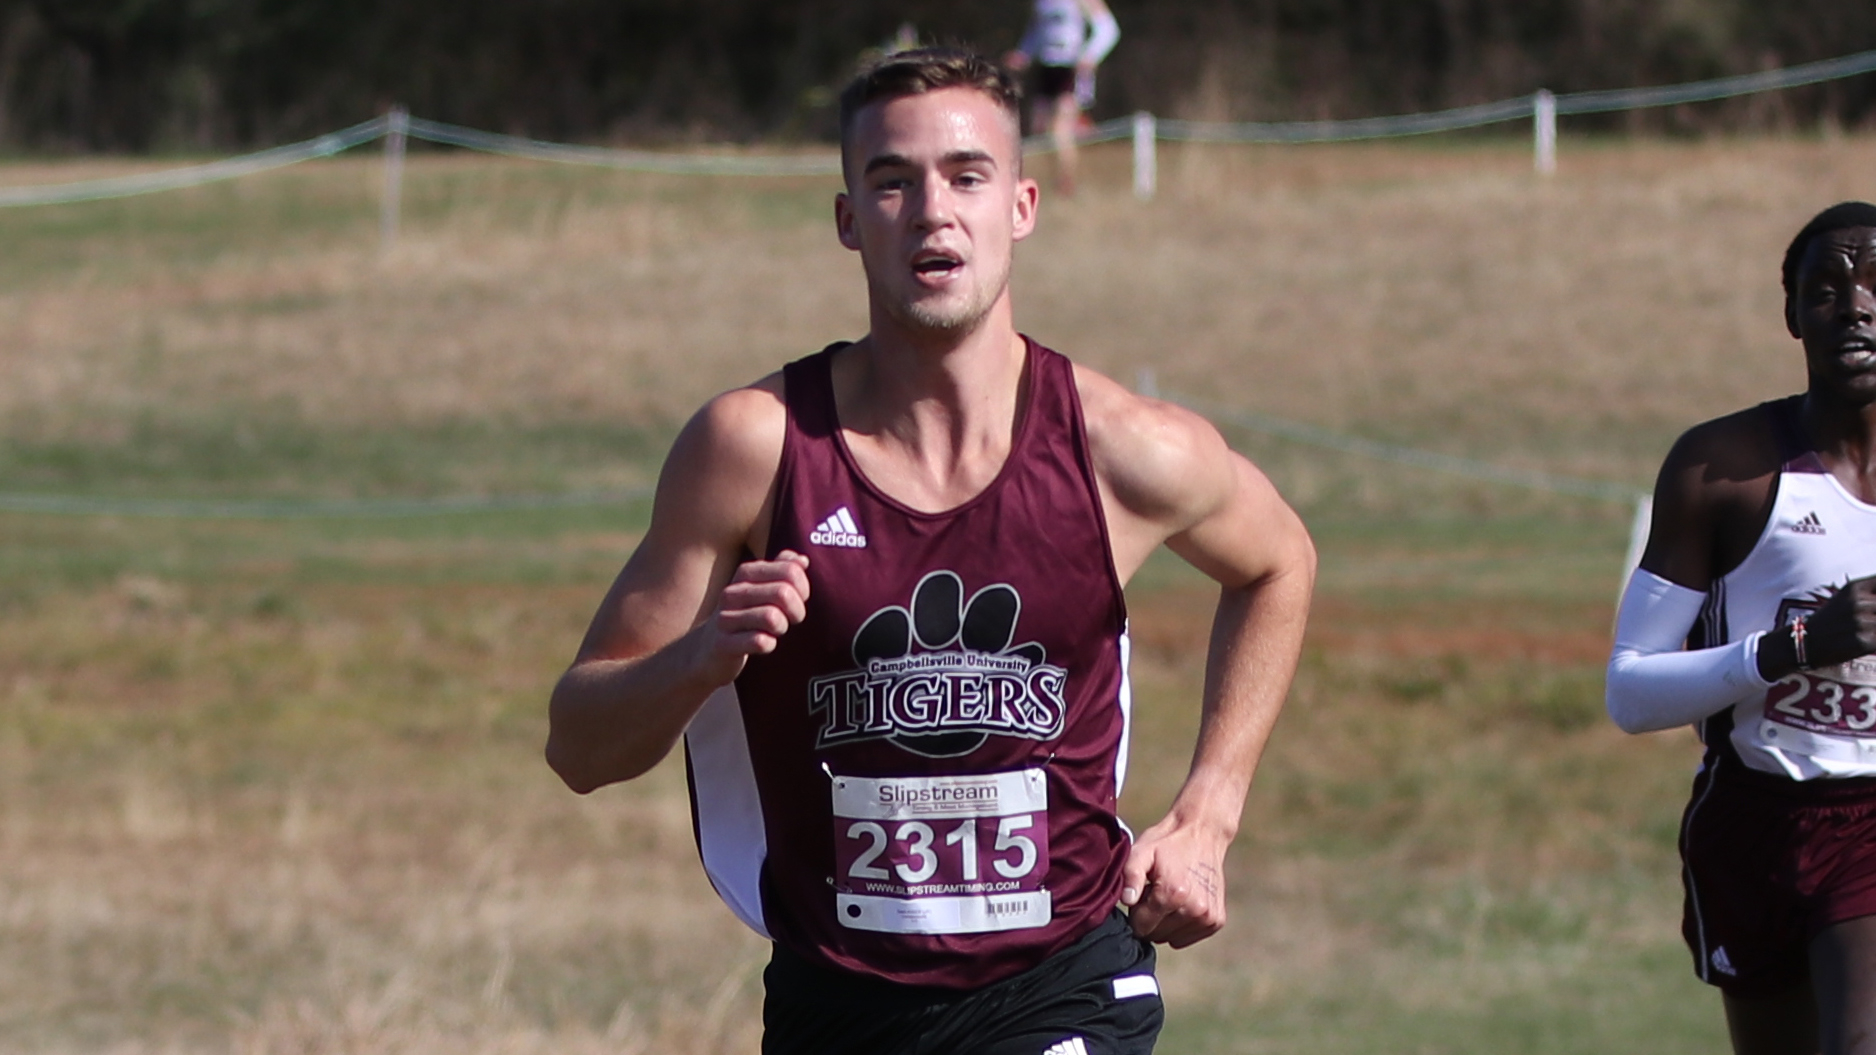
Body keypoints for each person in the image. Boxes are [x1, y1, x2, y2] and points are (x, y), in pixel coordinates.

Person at [546, 47, 1314, 1055]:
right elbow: (580, 745)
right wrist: (700, 656)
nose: (931, 210)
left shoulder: (1122, 448)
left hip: (1064, 983)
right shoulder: (755, 448)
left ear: (1023, 206)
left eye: (965, 175)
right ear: (846, 221)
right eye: (892, 181)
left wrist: (1209, 811)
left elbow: (1278, 561)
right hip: (836, 1003)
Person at [1607, 201, 1876, 1055]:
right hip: (1750, 814)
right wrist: (1794, 649)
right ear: (1791, 312)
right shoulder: (1719, 469)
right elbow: (1630, 691)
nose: (1856, 304)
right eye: (1826, 287)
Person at [1004, 0, 1120, 197]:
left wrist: (1090, 56)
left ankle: (1066, 186)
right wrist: (1023, 54)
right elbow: (1037, 31)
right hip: (1047, 68)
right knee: (1040, 128)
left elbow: (1108, 30)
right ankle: (1060, 173)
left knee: (1059, 129)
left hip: (1072, 68)